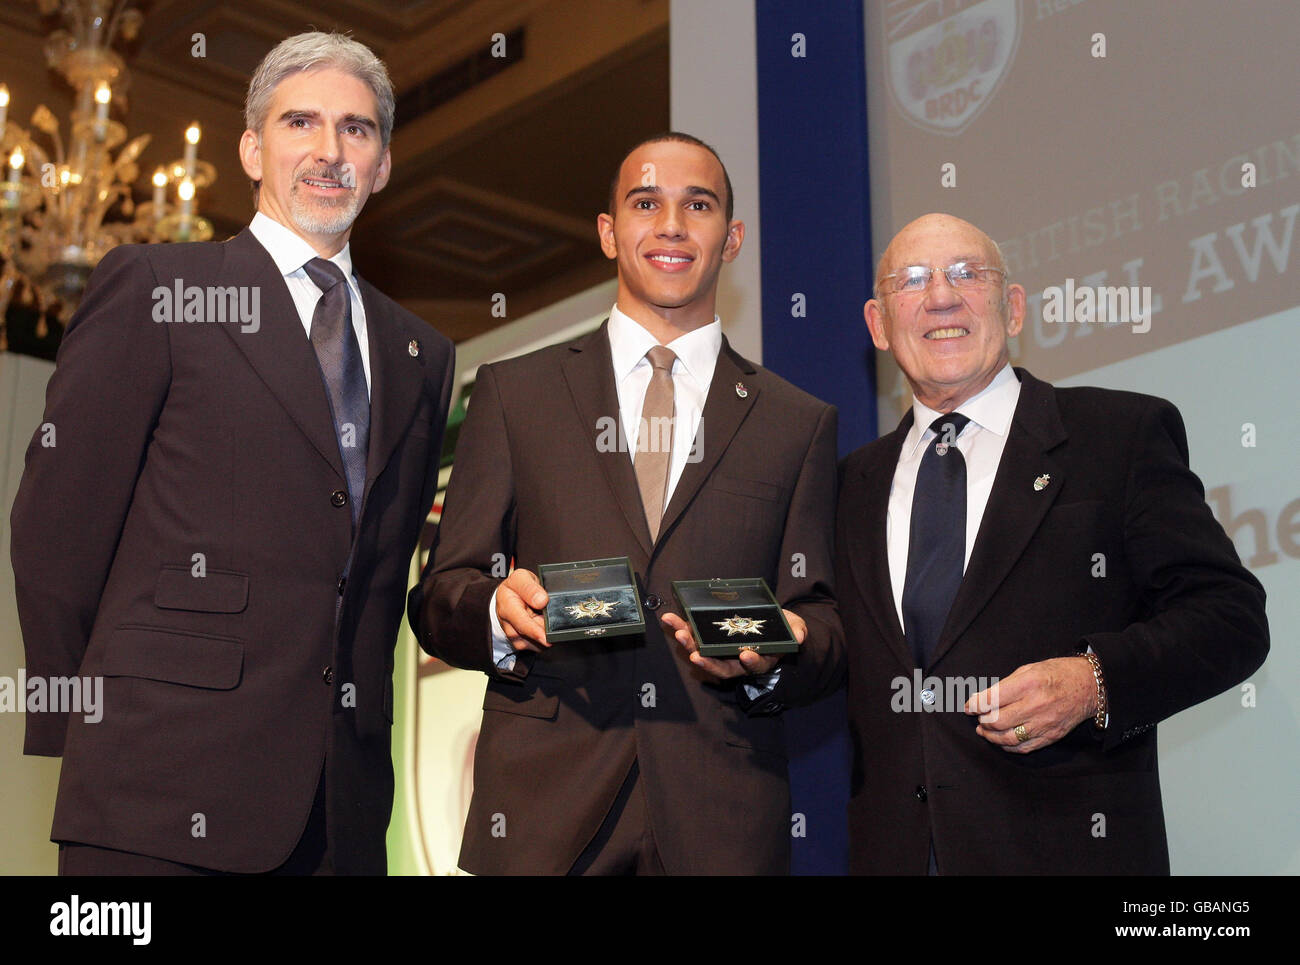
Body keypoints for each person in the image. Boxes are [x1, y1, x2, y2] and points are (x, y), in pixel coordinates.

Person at [10, 32, 454, 875]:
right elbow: (55, 530)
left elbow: (373, 579)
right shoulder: (155, 287)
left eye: (356, 130)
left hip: (344, 817)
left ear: (384, 163)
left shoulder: (421, 354)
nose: (329, 151)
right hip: (152, 791)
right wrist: (89, 724)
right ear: (252, 149)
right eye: (301, 122)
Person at [410, 132, 843, 875]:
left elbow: (825, 622)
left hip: (723, 822)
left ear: (730, 238)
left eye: (697, 205)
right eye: (646, 203)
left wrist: (780, 652)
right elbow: (441, 593)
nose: (671, 224)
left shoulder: (795, 421)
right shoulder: (516, 395)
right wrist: (497, 613)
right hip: (545, 814)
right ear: (610, 232)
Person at [837, 212, 1269, 874]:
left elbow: (1230, 617)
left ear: (1012, 308)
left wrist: (1094, 681)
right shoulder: (848, 484)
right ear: (878, 325)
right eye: (913, 279)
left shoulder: (1117, 435)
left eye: (966, 274)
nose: (941, 296)